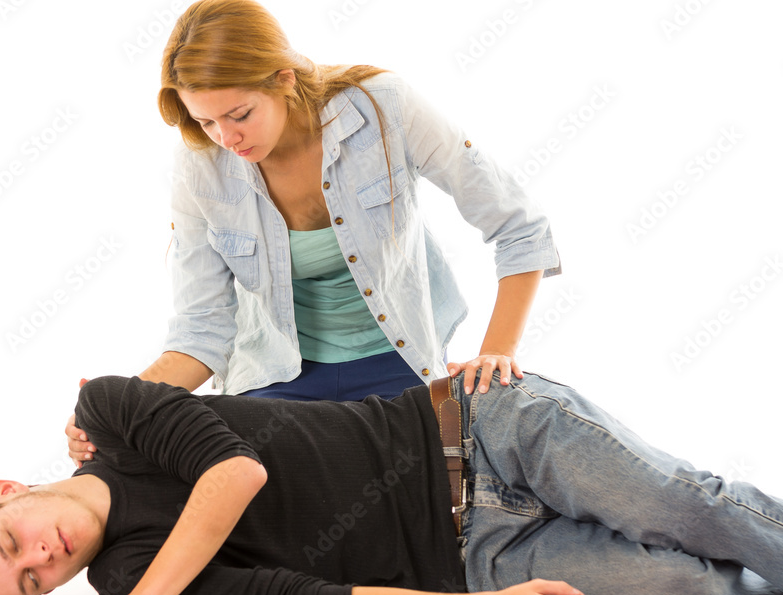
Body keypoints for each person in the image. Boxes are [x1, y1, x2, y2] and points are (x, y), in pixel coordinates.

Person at [0, 372, 783, 595]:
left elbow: (233, 472)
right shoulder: (133, 574)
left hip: (478, 432)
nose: (43, 555)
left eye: (14, 538)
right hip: (477, 558)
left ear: (4, 492)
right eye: (30, 581)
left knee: (688, 512)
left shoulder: (112, 413)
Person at [66, 0, 562, 465]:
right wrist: (119, 407)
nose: (226, 138)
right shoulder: (199, 165)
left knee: (422, 506)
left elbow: (518, 225)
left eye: (240, 115)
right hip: (274, 376)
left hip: (399, 360)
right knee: (243, 499)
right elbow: (203, 331)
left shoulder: (383, 107)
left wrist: (497, 351)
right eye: (206, 121)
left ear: (284, 78)